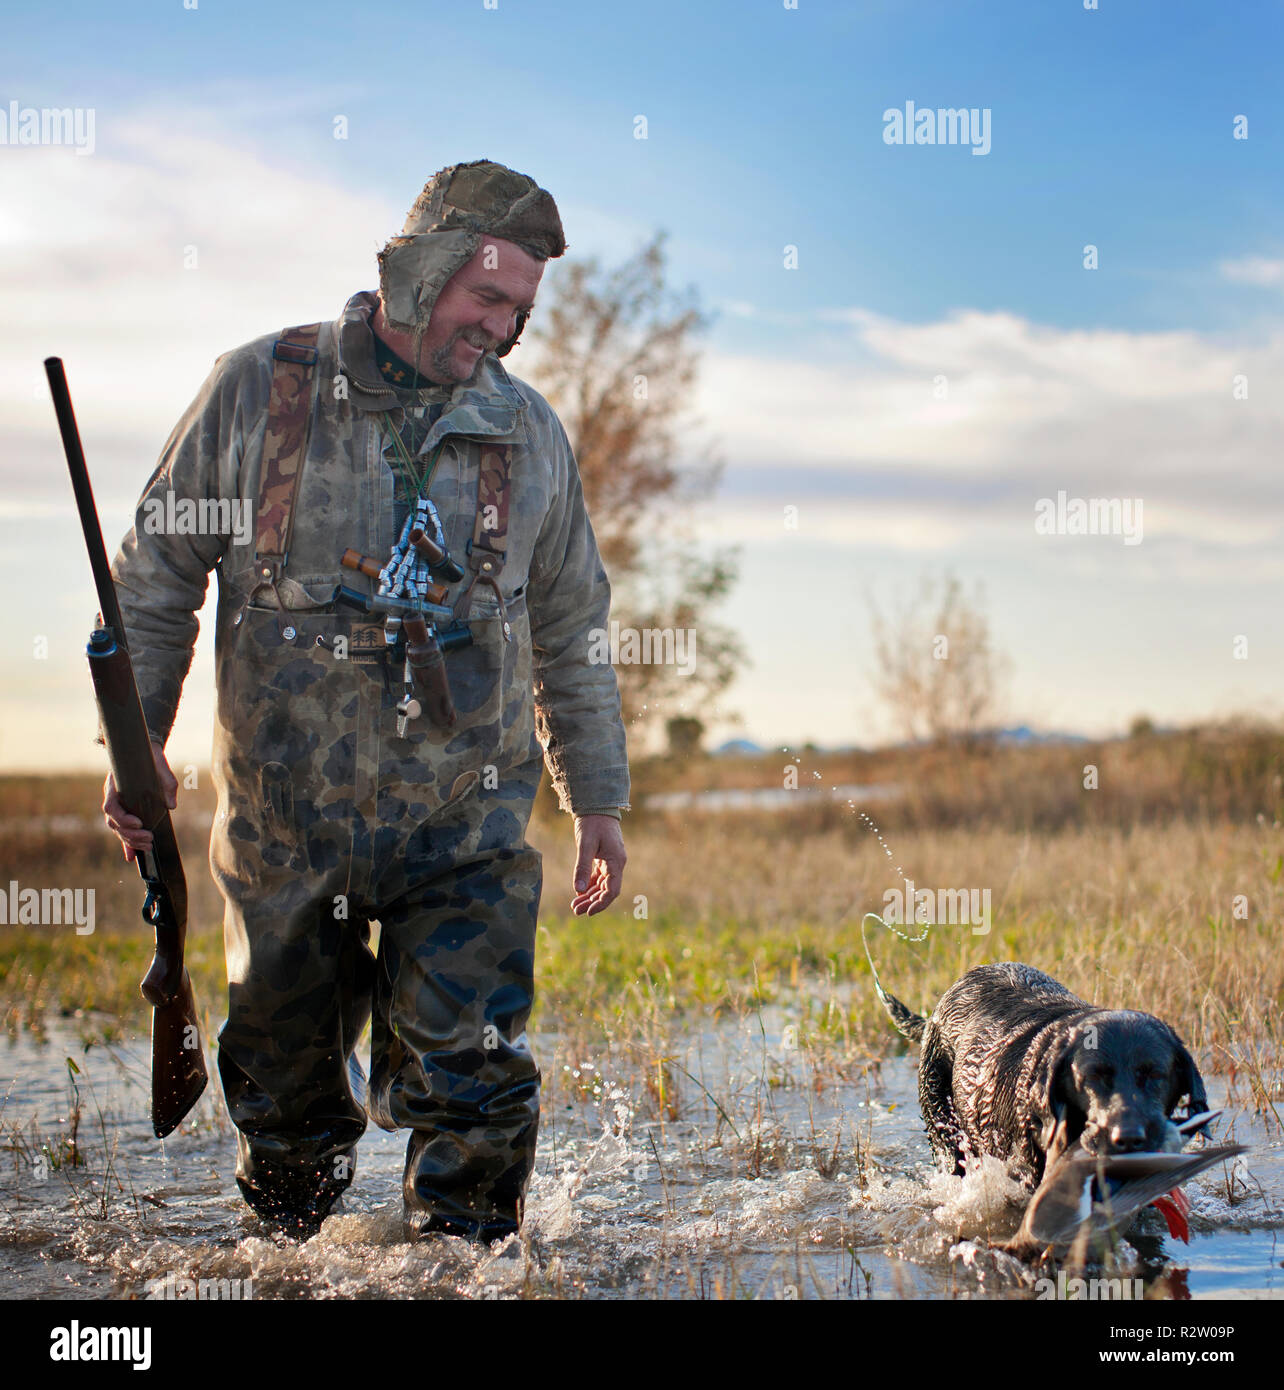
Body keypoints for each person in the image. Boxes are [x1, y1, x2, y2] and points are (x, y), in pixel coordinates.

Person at [100, 160, 631, 1243]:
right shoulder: (255, 388)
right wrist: (135, 742)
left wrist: (599, 801)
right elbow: (153, 578)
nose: (504, 326)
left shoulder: (529, 436)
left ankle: (456, 1270)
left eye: (522, 310)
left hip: (467, 834)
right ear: (423, 269)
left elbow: (571, 629)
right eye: (489, 297)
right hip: (290, 834)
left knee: (478, 1093)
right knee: (287, 1123)